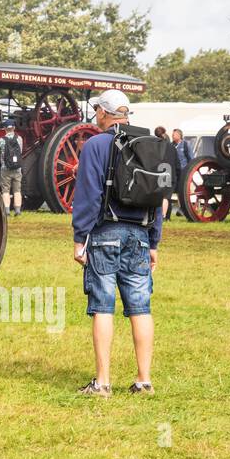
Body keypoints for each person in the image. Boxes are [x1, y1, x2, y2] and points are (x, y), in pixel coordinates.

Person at [71, 90, 161, 397]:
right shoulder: (149, 143)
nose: (95, 114)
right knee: (140, 308)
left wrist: (79, 237)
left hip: (105, 233)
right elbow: (156, 197)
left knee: (103, 308)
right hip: (140, 235)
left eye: (97, 109)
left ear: (106, 114)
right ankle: (144, 380)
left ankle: (103, 382)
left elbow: (88, 195)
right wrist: (154, 242)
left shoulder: (95, 145)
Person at [0, 120, 24, 217]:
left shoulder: (1, 140)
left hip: (5, 169)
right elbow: (20, 150)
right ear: (14, 128)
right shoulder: (19, 139)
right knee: (17, 190)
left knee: (5, 190)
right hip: (17, 169)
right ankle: (17, 211)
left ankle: (7, 211)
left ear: (4, 129)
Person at [171, 128, 194, 217]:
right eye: (172, 134)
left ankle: (186, 209)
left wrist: (190, 170)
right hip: (175, 171)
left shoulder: (185, 144)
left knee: (184, 190)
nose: (173, 136)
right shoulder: (171, 145)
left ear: (180, 135)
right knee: (177, 190)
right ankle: (181, 208)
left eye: (174, 134)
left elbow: (191, 158)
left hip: (184, 170)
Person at [154, 126, 173, 220]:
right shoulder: (171, 146)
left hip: (157, 172)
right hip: (168, 171)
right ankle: (164, 216)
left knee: (159, 195)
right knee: (166, 196)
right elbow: (176, 162)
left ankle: (160, 215)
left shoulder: (153, 145)